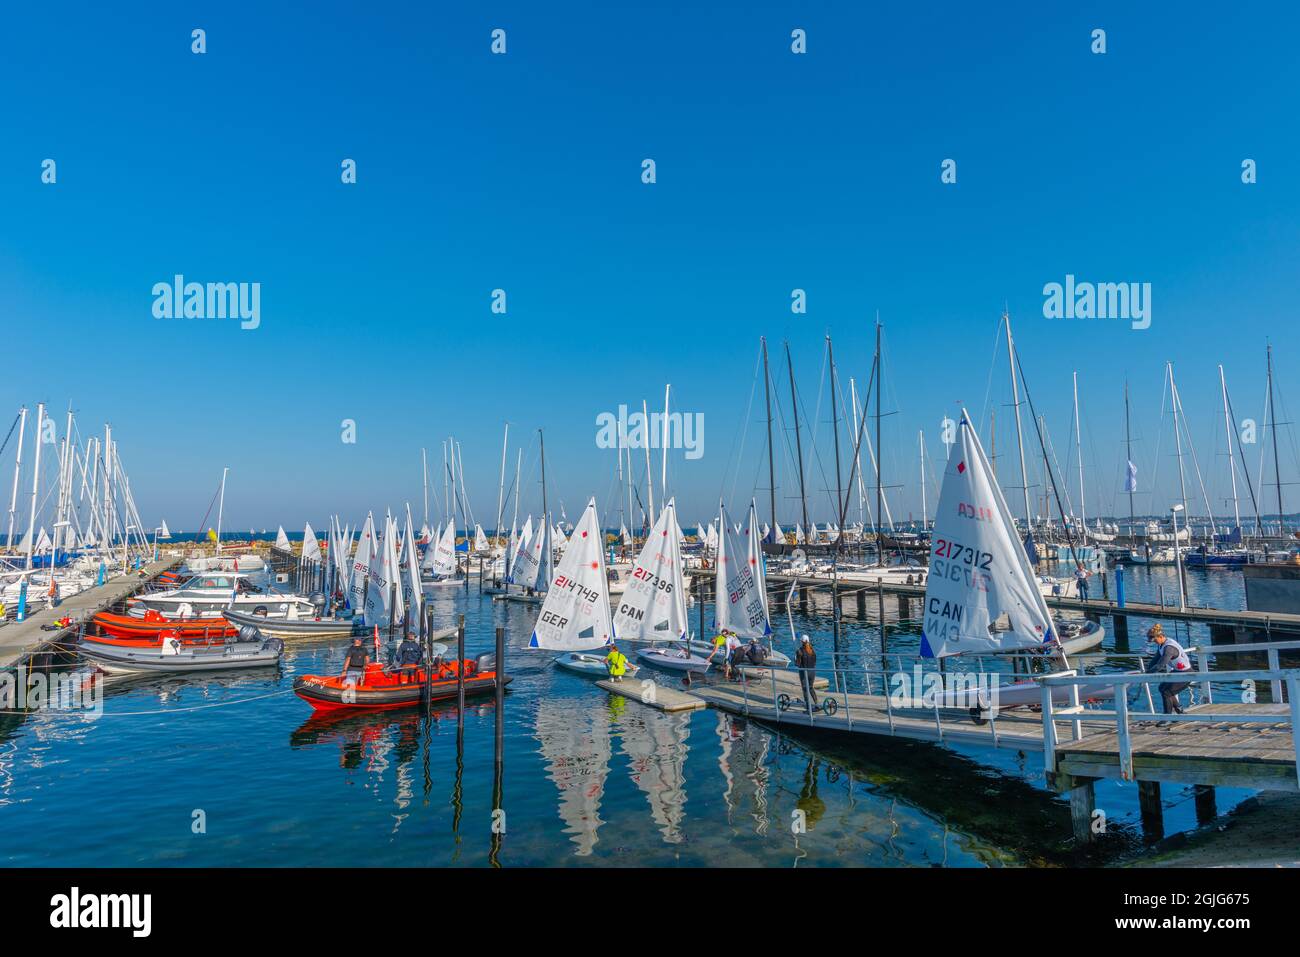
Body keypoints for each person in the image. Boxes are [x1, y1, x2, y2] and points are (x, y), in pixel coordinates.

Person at [1144, 624, 1191, 714]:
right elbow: (1155, 660)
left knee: (1167, 692)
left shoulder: (1169, 648)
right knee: (1162, 687)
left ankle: (1167, 717)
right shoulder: (1162, 644)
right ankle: (1179, 710)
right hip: (1178, 671)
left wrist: (1147, 674)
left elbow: (1160, 665)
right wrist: (1148, 669)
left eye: (1155, 640)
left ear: (1161, 636)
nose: (1155, 642)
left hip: (1186, 674)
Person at [794, 635, 818, 713]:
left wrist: (795, 657)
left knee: (805, 689)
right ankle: (816, 704)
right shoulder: (812, 650)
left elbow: (797, 664)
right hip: (812, 672)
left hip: (804, 672)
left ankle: (808, 707)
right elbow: (814, 661)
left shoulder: (799, 651)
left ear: (802, 642)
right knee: (810, 687)